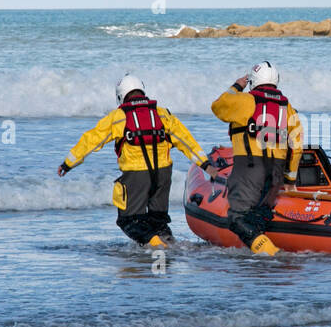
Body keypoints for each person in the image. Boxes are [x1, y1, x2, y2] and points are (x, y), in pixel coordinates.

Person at [58, 74, 216, 248]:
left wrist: (68, 163)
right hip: (163, 174)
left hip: (136, 175)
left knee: (129, 221)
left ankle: (156, 244)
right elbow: (187, 141)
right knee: (159, 221)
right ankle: (169, 248)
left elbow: (91, 140)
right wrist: (205, 164)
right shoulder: (162, 114)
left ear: (120, 95)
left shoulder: (118, 117)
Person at [211, 61, 303, 256]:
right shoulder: (288, 107)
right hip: (276, 171)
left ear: (253, 81)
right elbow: (297, 146)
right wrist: (290, 179)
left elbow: (218, 106)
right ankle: (260, 264)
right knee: (258, 215)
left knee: (237, 218)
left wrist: (236, 86)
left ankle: (270, 253)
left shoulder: (246, 101)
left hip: (250, 168)